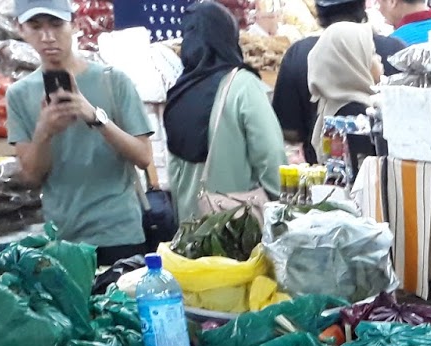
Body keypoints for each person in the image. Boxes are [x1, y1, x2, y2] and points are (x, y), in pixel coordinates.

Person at [6, 0, 154, 265]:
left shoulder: (113, 80)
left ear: (74, 25)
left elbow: (144, 157)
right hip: (63, 239)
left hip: (118, 232)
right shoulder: (19, 94)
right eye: (35, 26)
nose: (47, 36)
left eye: (56, 24)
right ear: (21, 29)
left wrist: (95, 117)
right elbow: (31, 176)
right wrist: (44, 132)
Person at [163, 1, 287, 224]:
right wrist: (280, 201)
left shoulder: (178, 92)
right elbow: (270, 153)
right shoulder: (243, 85)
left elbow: (174, 172)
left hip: (190, 230)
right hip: (236, 227)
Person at [273, 0, 404, 163]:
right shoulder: (395, 52)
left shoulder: (301, 54)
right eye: (372, 55)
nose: (378, 59)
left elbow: (289, 131)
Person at [308, 24, 381, 162]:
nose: (379, 59)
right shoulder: (357, 115)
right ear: (354, 61)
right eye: (372, 53)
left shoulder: (329, 105)